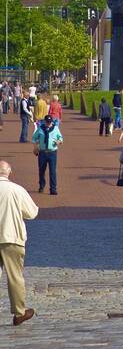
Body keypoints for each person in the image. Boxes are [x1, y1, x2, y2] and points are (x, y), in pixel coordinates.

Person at [0, 161, 38, 326]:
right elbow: (31, 213)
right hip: (12, 236)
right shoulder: (17, 189)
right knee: (15, 276)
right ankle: (19, 312)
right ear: (9, 172)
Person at [32, 114, 63, 196]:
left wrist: (58, 141)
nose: (49, 124)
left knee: (52, 171)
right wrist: (35, 147)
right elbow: (34, 138)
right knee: (41, 170)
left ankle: (53, 189)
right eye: (47, 122)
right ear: (44, 121)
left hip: (52, 152)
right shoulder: (40, 128)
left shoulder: (55, 128)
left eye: (50, 122)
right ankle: (41, 186)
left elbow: (61, 138)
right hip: (42, 152)